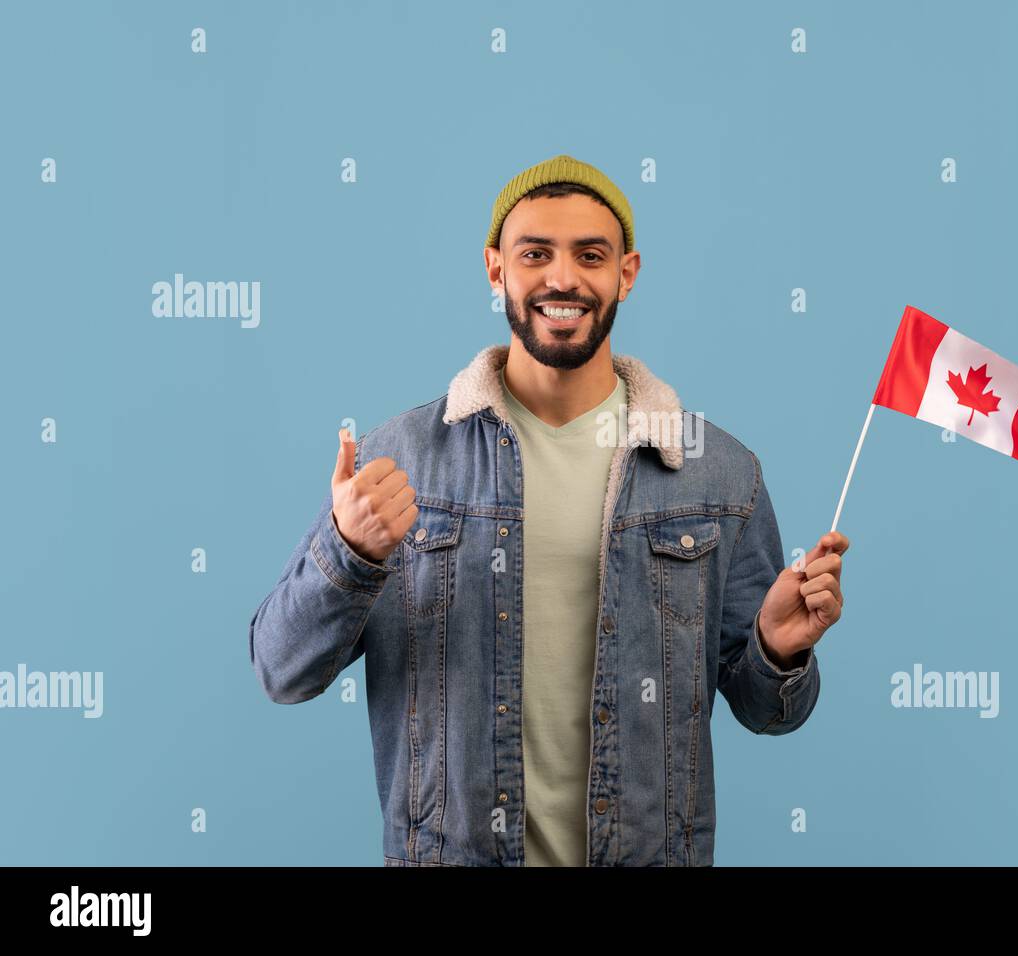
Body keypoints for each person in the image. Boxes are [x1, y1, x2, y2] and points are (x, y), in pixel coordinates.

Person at [249, 154, 850, 866]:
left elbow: (768, 710)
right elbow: (281, 671)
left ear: (625, 273)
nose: (562, 278)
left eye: (589, 255)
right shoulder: (402, 459)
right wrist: (350, 552)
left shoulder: (715, 471)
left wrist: (781, 650)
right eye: (535, 253)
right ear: (495, 269)